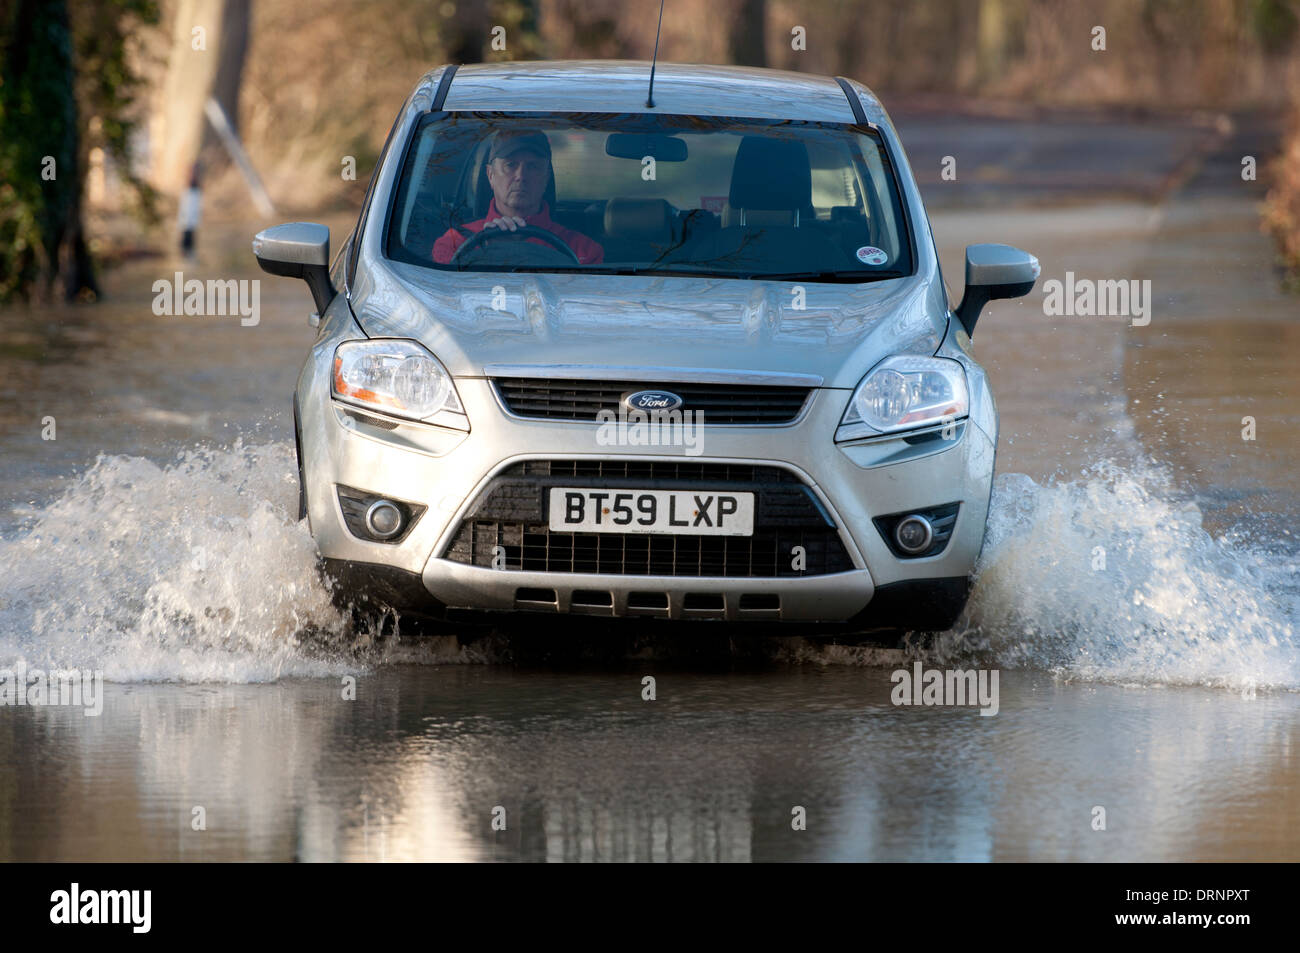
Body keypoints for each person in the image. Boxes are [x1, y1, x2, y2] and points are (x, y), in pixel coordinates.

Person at [432, 129, 603, 265]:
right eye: (510, 165)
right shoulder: (455, 243)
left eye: (533, 166)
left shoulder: (583, 252)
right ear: (490, 175)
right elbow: (449, 302)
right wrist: (491, 253)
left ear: (546, 178)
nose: (521, 175)